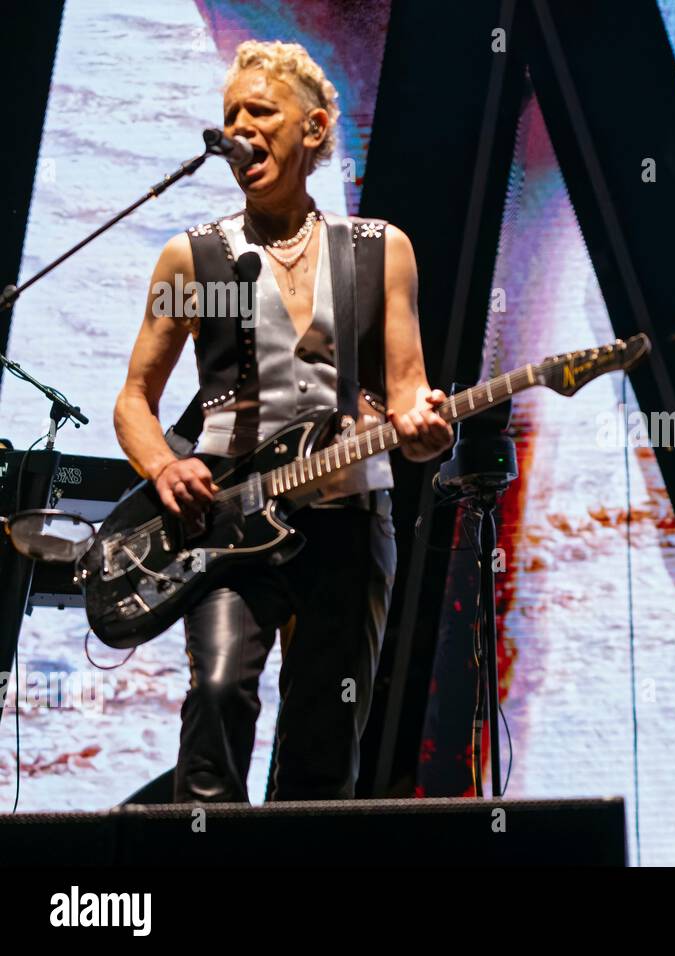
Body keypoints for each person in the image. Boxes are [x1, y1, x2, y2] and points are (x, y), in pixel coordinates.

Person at [113, 40, 453, 802]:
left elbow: (410, 397)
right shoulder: (192, 259)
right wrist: (165, 466)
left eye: (260, 111)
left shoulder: (379, 251)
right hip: (227, 528)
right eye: (230, 115)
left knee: (323, 744)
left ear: (315, 127)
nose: (240, 127)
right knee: (219, 691)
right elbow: (135, 399)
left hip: (350, 519)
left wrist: (431, 432)